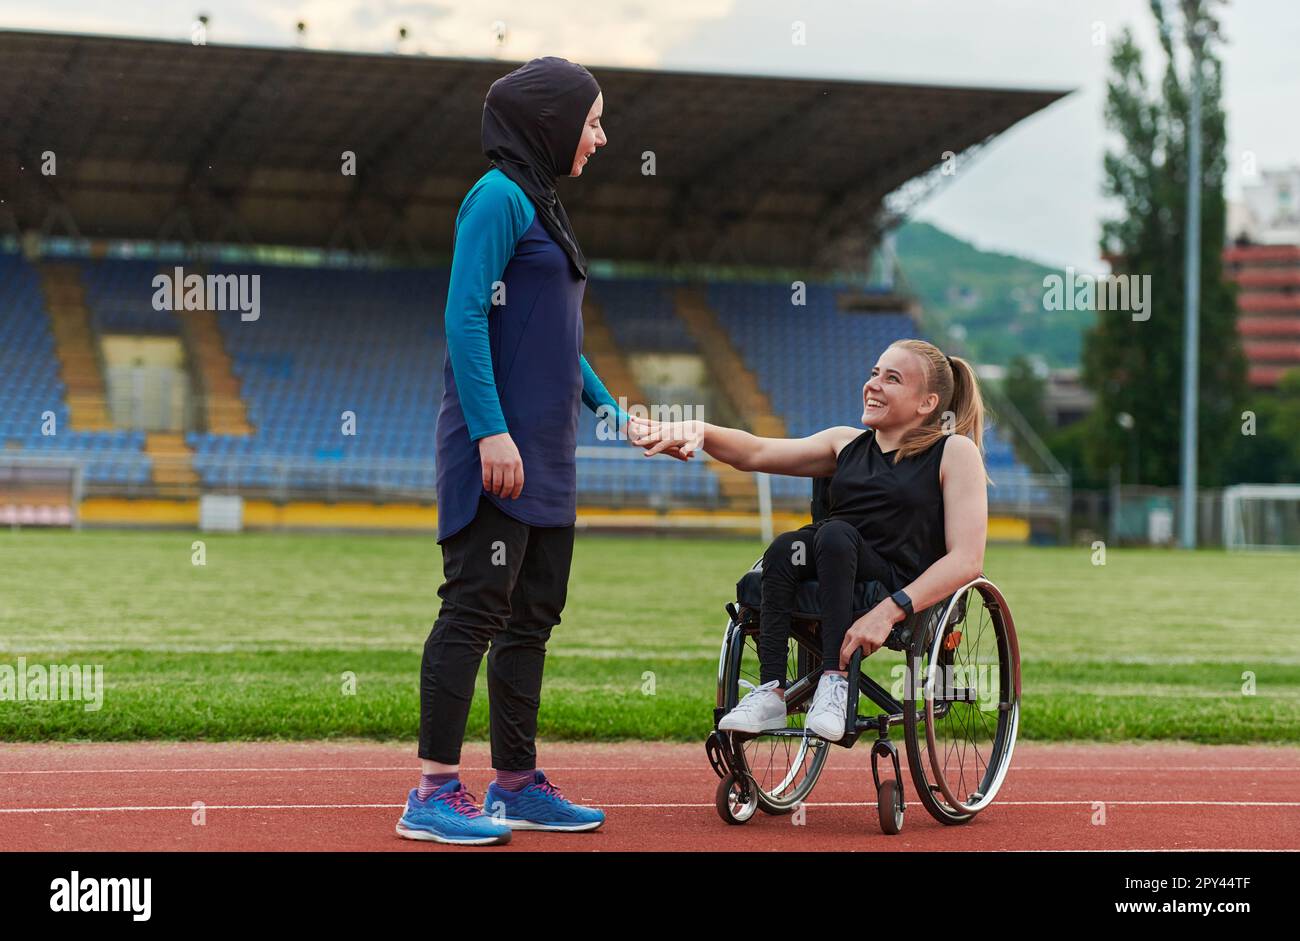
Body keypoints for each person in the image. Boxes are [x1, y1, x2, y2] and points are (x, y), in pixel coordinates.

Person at [397, 57, 643, 846]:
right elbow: (465, 316)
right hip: (496, 450)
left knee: (531, 618)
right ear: (551, 121)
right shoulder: (499, 196)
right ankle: (431, 792)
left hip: (548, 454)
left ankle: (515, 783)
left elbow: (554, 340)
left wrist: (614, 412)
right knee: (472, 611)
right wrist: (490, 429)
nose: (601, 137)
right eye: (594, 120)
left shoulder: (544, 204)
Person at [630, 339, 990, 742]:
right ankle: (771, 691)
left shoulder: (953, 451)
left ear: (927, 403)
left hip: (897, 583)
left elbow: (967, 560)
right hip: (838, 562)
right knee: (787, 545)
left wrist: (888, 612)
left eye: (892, 379)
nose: (873, 384)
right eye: (874, 373)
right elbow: (757, 451)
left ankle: (835, 683)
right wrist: (701, 430)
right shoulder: (845, 442)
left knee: (834, 534)